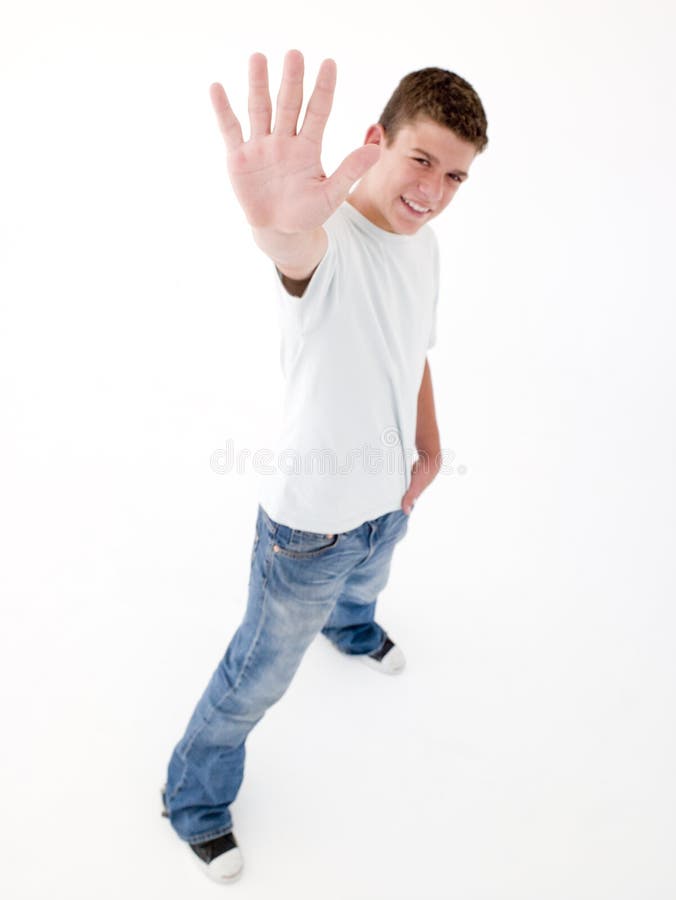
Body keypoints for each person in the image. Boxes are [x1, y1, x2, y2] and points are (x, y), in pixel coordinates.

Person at [162, 49, 488, 884]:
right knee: (256, 676)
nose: (434, 189)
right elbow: (291, 246)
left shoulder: (428, 246)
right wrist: (273, 220)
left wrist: (431, 443)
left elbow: (415, 347)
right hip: (307, 529)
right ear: (376, 139)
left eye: (455, 176)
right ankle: (192, 799)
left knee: (373, 574)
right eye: (422, 159)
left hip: (387, 500)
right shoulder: (326, 241)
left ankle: (352, 629)